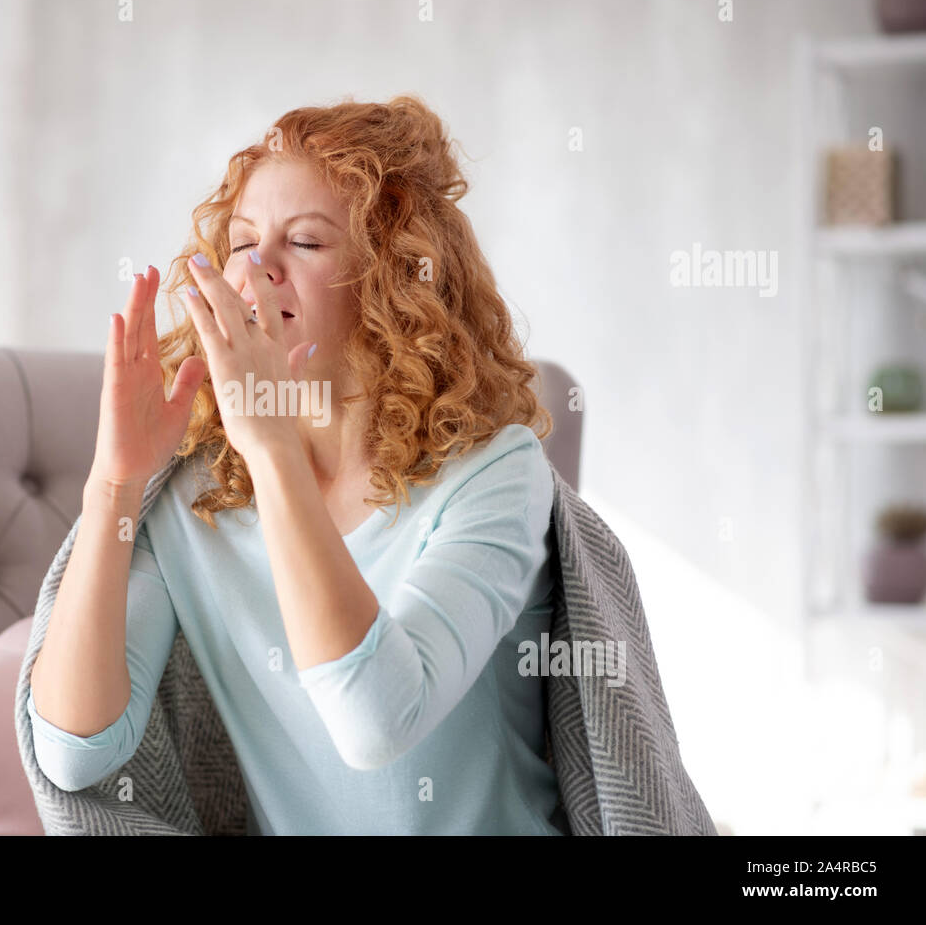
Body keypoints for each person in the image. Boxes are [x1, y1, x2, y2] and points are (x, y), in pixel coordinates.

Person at [27, 94, 563, 835]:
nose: (260, 269)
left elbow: (377, 722)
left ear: (397, 281)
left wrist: (273, 446)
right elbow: (74, 756)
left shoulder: (493, 474)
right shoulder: (196, 492)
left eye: (306, 244)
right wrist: (114, 483)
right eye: (244, 242)